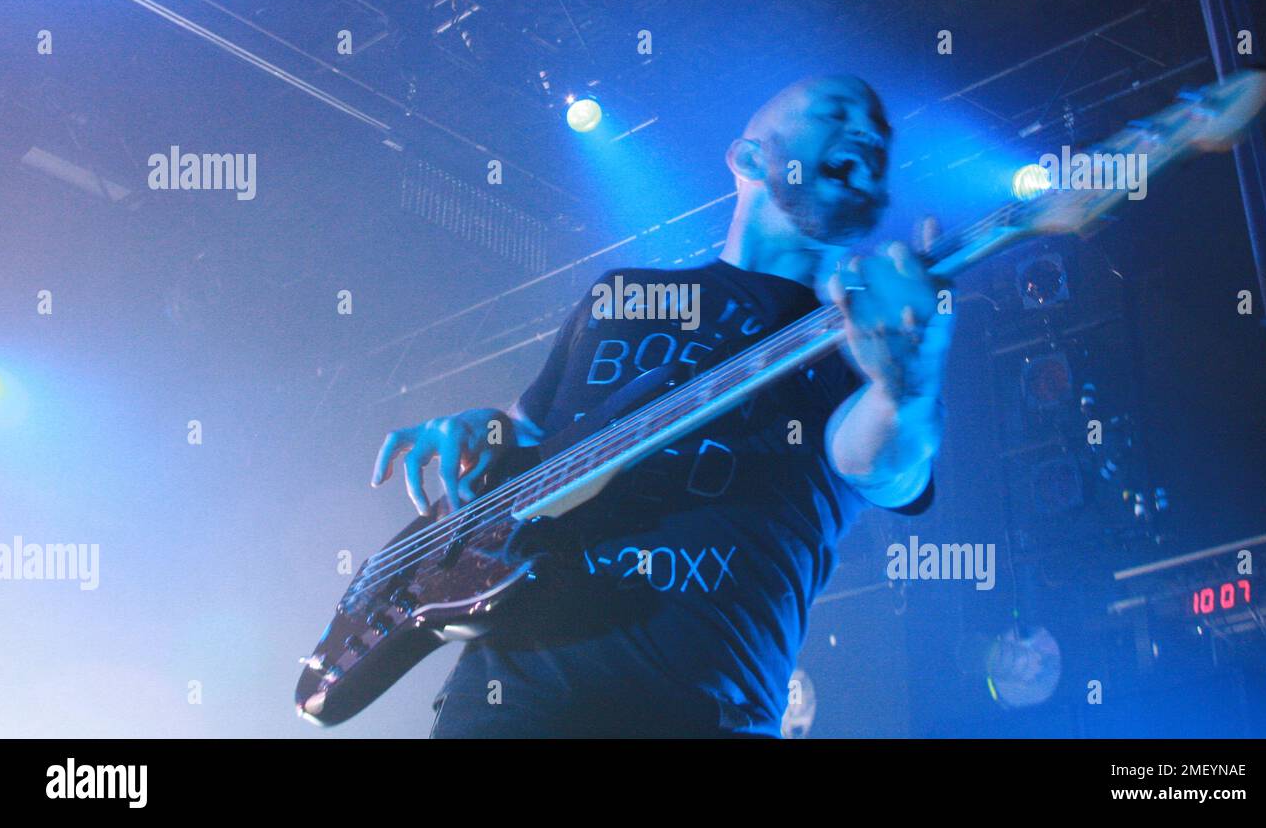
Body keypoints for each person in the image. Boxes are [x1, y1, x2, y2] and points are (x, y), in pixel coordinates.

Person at [371, 74, 954, 737]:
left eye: (879, 129)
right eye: (837, 111)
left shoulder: (863, 332)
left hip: (702, 716)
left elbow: (884, 468)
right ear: (751, 158)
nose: (868, 132)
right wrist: (480, 428)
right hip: (506, 704)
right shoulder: (623, 294)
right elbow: (532, 429)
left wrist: (907, 387)